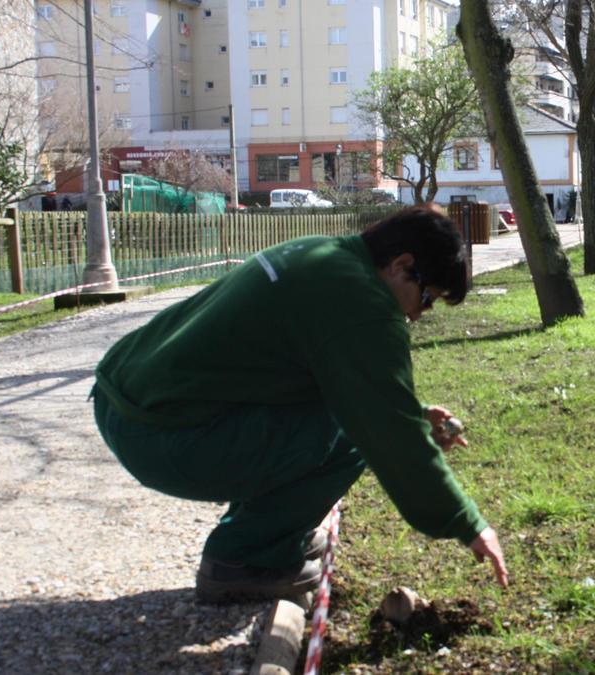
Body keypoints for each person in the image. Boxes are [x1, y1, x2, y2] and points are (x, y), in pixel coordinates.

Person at [91, 206, 508, 603]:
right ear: (401, 266)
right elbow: (384, 429)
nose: (418, 315)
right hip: (161, 436)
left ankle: (273, 533)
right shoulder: (361, 301)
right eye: (427, 298)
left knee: (342, 417)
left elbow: (323, 380)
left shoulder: (320, 252)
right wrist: (467, 522)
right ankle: (242, 558)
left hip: (124, 406)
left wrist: (411, 417)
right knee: (348, 435)